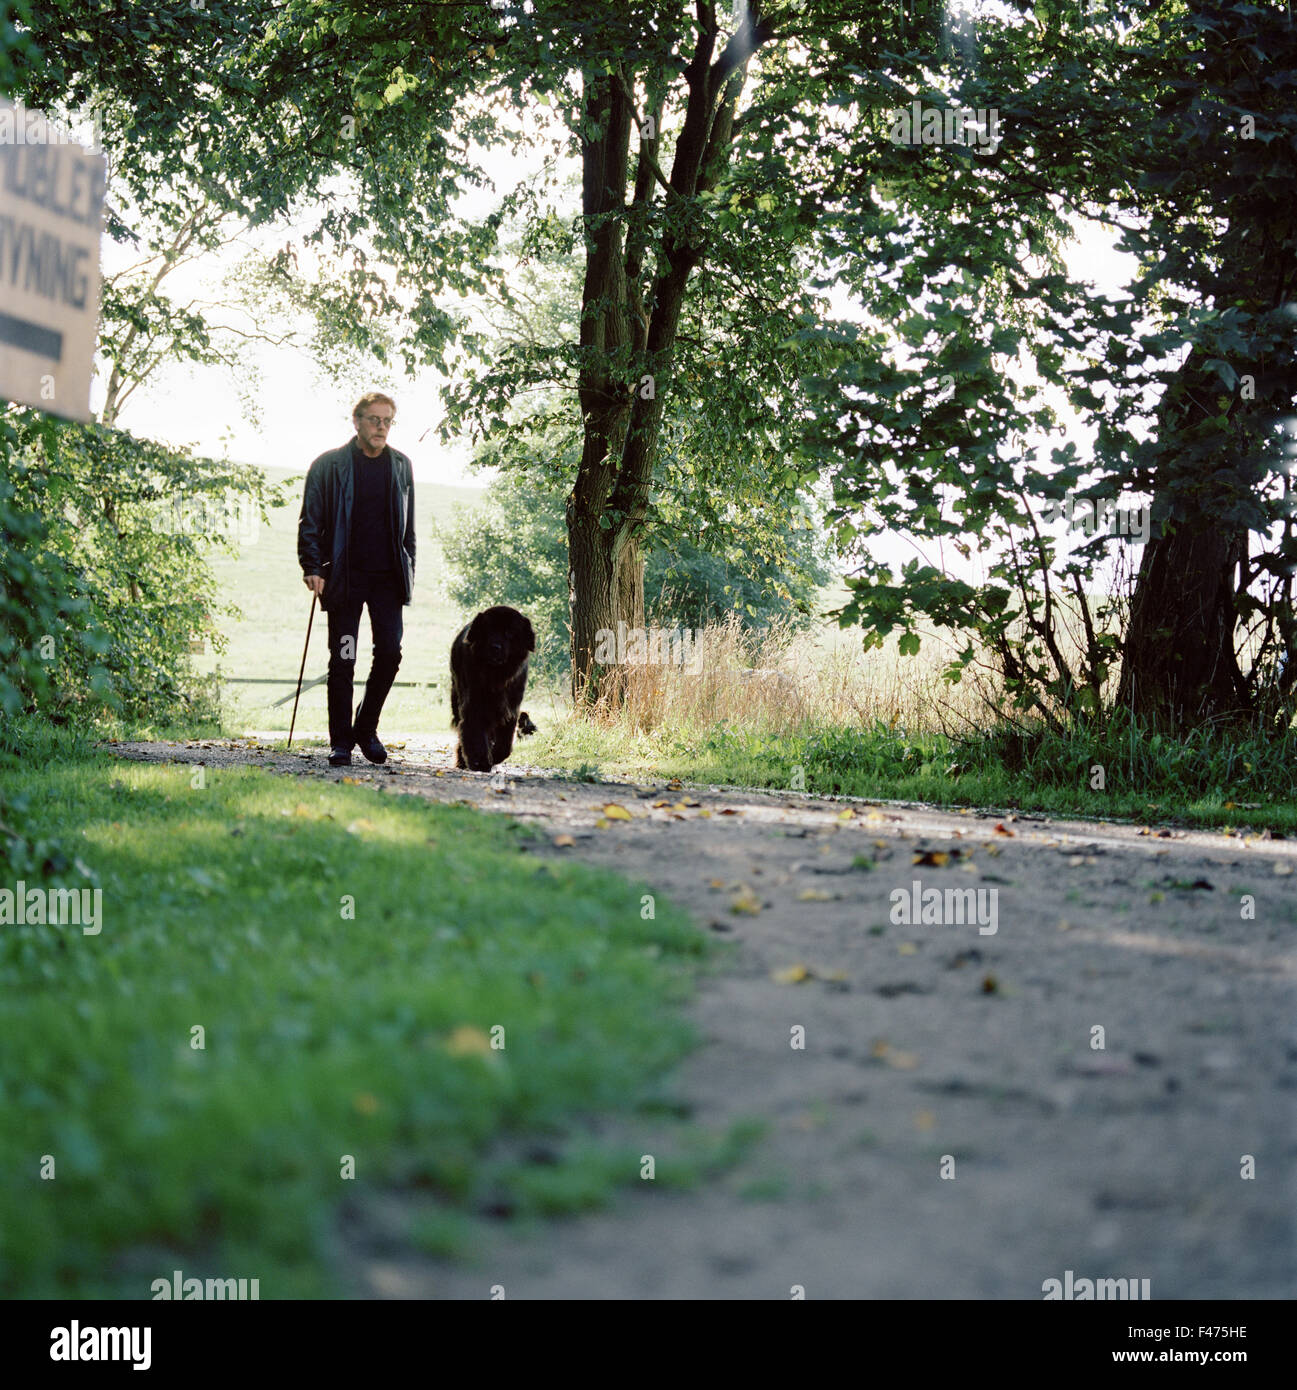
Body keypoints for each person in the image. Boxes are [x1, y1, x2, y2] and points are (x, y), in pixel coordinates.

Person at [297, 393, 415, 766]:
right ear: (357, 422)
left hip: (387, 582)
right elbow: (310, 520)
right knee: (344, 658)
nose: (381, 427)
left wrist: (408, 568)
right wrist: (313, 567)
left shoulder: (401, 466)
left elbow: (407, 530)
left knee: (390, 654)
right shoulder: (329, 466)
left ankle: (365, 726)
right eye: (374, 419)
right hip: (345, 581)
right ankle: (341, 742)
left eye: (387, 421)